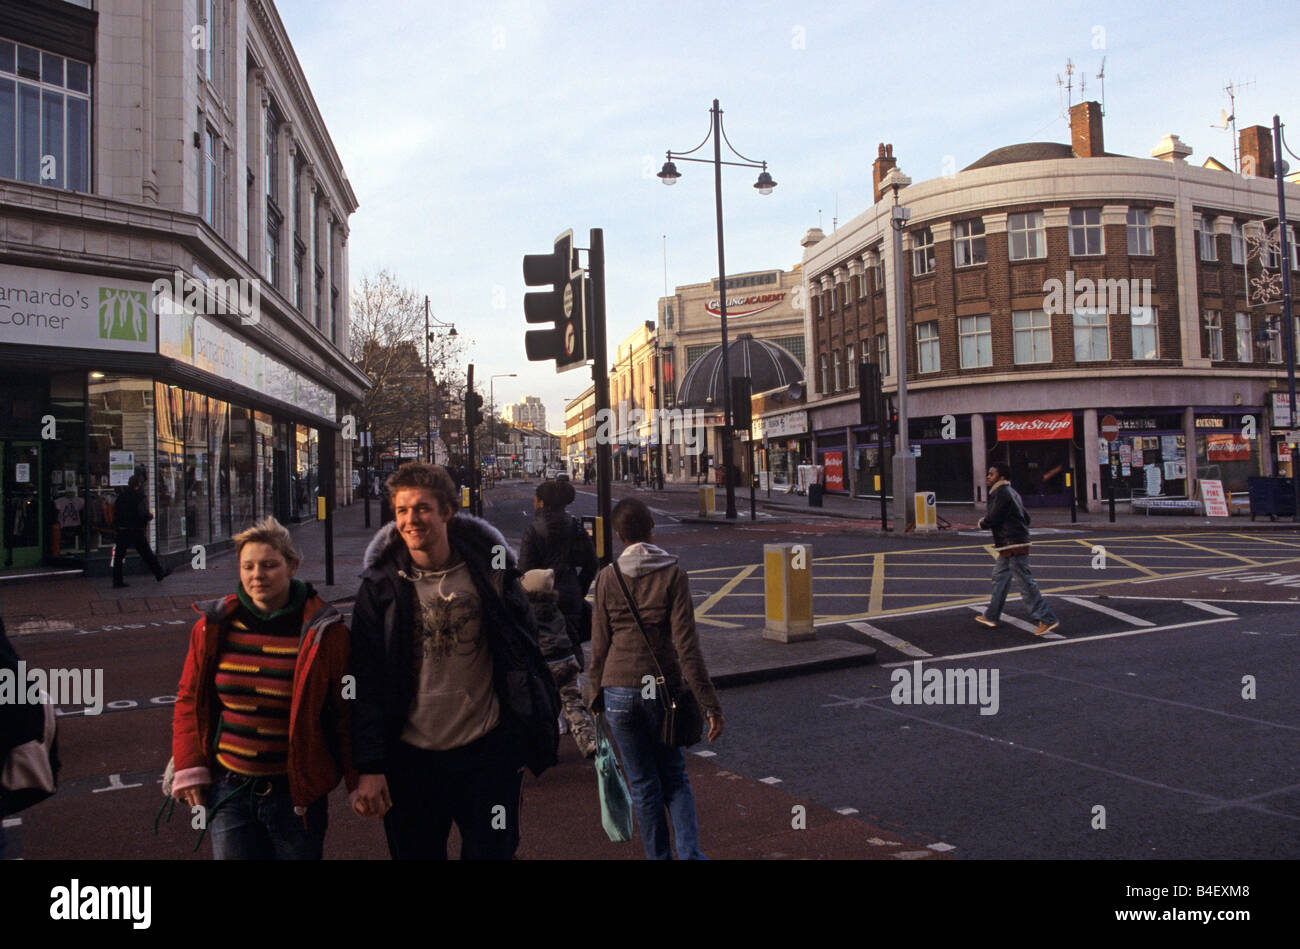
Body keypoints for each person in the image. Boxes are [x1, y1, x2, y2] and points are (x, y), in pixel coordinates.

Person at [349, 462, 559, 860]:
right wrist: (370, 765)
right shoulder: (379, 588)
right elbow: (365, 679)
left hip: (486, 757)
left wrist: (525, 734)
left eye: (423, 508)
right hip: (409, 762)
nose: (411, 520)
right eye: (402, 510)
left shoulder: (492, 576)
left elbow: (525, 653)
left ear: (447, 511)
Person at [170, 517, 356, 859]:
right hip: (229, 792)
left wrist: (360, 779)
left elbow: (346, 711)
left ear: (291, 566)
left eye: (270, 565)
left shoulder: (325, 632)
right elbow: (188, 700)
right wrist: (189, 765)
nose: (258, 575)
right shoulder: (212, 627)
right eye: (248, 566)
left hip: (296, 797)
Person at [588, 497, 723, 860]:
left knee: (644, 785)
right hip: (663, 691)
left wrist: (593, 698)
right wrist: (710, 705)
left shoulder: (606, 578)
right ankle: (691, 855)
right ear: (652, 526)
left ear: (618, 536)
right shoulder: (673, 574)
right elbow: (687, 647)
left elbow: (599, 646)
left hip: (618, 691)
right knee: (675, 778)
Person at [975, 462, 1061, 636]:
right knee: (999, 578)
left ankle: (1047, 618)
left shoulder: (1001, 493)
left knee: (1024, 582)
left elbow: (994, 517)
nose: (988, 477)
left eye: (991, 474)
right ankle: (992, 615)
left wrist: (982, 523)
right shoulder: (1013, 493)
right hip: (1011, 543)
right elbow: (1026, 518)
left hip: (1012, 543)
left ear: (1001, 477)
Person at [521, 568, 597, 758]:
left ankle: (545, 750)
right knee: (573, 703)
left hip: (545, 666)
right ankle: (589, 741)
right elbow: (571, 632)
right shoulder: (555, 608)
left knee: (541, 711)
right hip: (566, 660)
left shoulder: (526, 612)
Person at [519, 480, 598, 651]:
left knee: (543, 648)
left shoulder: (533, 530)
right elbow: (592, 563)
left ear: (541, 502)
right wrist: (578, 587)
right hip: (571, 596)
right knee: (571, 644)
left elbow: (525, 571)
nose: (533, 503)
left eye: (535, 499)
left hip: (542, 599)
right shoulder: (576, 526)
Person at [111, 473, 170, 588]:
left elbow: (116, 513)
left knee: (119, 557)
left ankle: (117, 580)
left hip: (123, 530)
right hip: (136, 530)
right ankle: (159, 573)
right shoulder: (140, 497)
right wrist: (150, 516)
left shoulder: (121, 497)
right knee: (147, 553)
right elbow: (143, 513)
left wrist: (117, 526)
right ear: (138, 485)